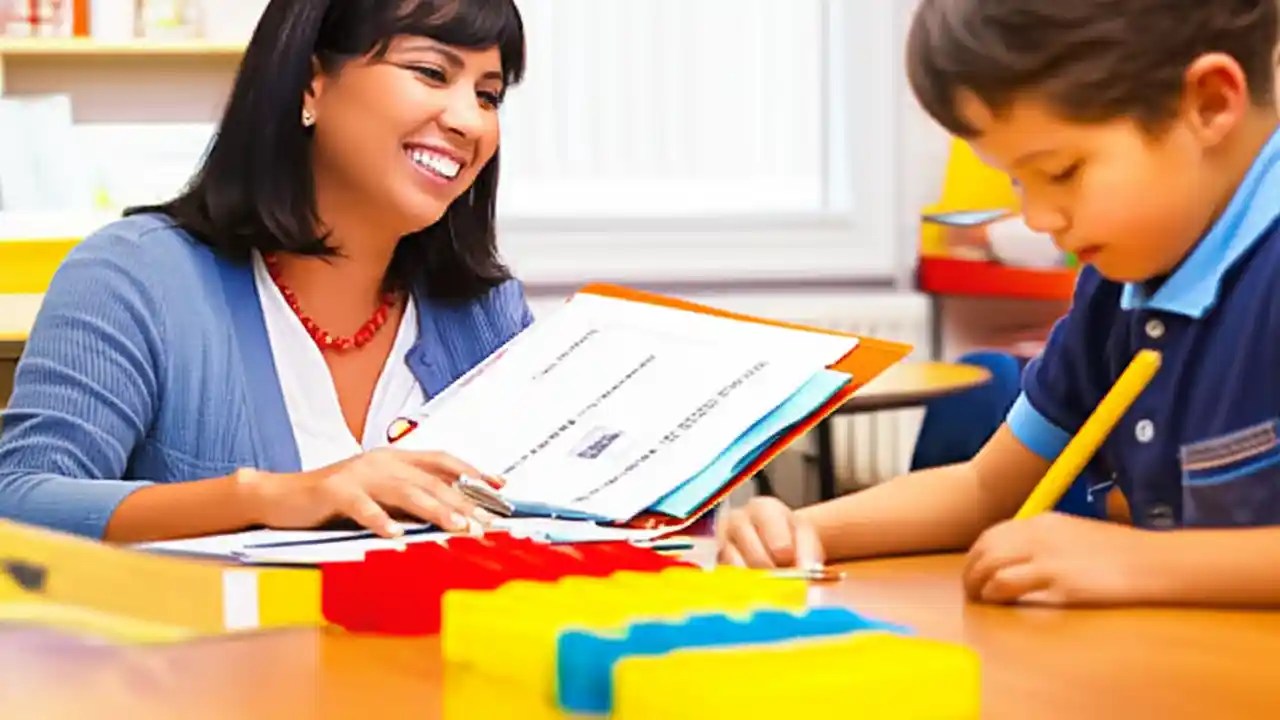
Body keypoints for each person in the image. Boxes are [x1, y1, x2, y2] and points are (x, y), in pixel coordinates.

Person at [720, 0, 1280, 609]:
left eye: (1061, 171)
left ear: (1210, 103)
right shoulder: (1122, 282)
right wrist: (804, 531)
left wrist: (1140, 562)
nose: (1038, 218)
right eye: (1017, 181)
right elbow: (987, 486)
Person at [0, 0, 532, 543]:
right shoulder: (134, 277)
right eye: (431, 72)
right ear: (310, 83)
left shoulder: (488, 314)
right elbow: (16, 500)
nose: (469, 121)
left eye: (487, 96)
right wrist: (272, 497)